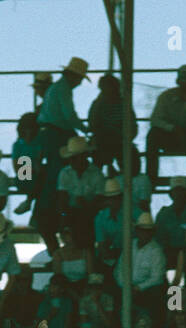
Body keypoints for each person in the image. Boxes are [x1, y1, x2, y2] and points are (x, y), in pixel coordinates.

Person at [147, 64, 186, 182]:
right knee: (153, 135)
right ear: (177, 81)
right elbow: (155, 119)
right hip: (169, 136)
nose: (185, 85)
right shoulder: (166, 97)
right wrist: (171, 128)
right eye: (183, 81)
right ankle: (151, 178)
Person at [37, 57, 89, 190]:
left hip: (48, 134)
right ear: (74, 76)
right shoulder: (63, 89)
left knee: (46, 170)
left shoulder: (21, 147)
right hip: (55, 134)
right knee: (56, 169)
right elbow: (69, 115)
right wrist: (85, 129)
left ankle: (34, 196)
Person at [115, 212, 168, 320]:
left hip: (145, 290)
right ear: (137, 230)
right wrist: (126, 287)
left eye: (147, 231)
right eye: (141, 230)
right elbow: (119, 269)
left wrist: (138, 288)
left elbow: (157, 277)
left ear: (152, 232)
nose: (144, 233)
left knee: (156, 295)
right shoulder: (129, 245)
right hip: (125, 287)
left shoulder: (156, 251)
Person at [87, 73, 136, 170]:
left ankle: (122, 179)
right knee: (98, 154)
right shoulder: (97, 104)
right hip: (102, 140)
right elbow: (93, 125)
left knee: (131, 159)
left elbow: (132, 124)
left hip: (121, 140)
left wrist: (127, 137)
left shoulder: (124, 104)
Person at [10, 113, 45, 215]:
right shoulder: (18, 145)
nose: (29, 132)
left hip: (37, 175)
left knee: (42, 178)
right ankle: (29, 201)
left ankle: (29, 203)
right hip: (24, 176)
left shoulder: (39, 142)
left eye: (31, 128)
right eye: (26, 128)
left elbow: (40, 160)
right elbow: (18, 169)